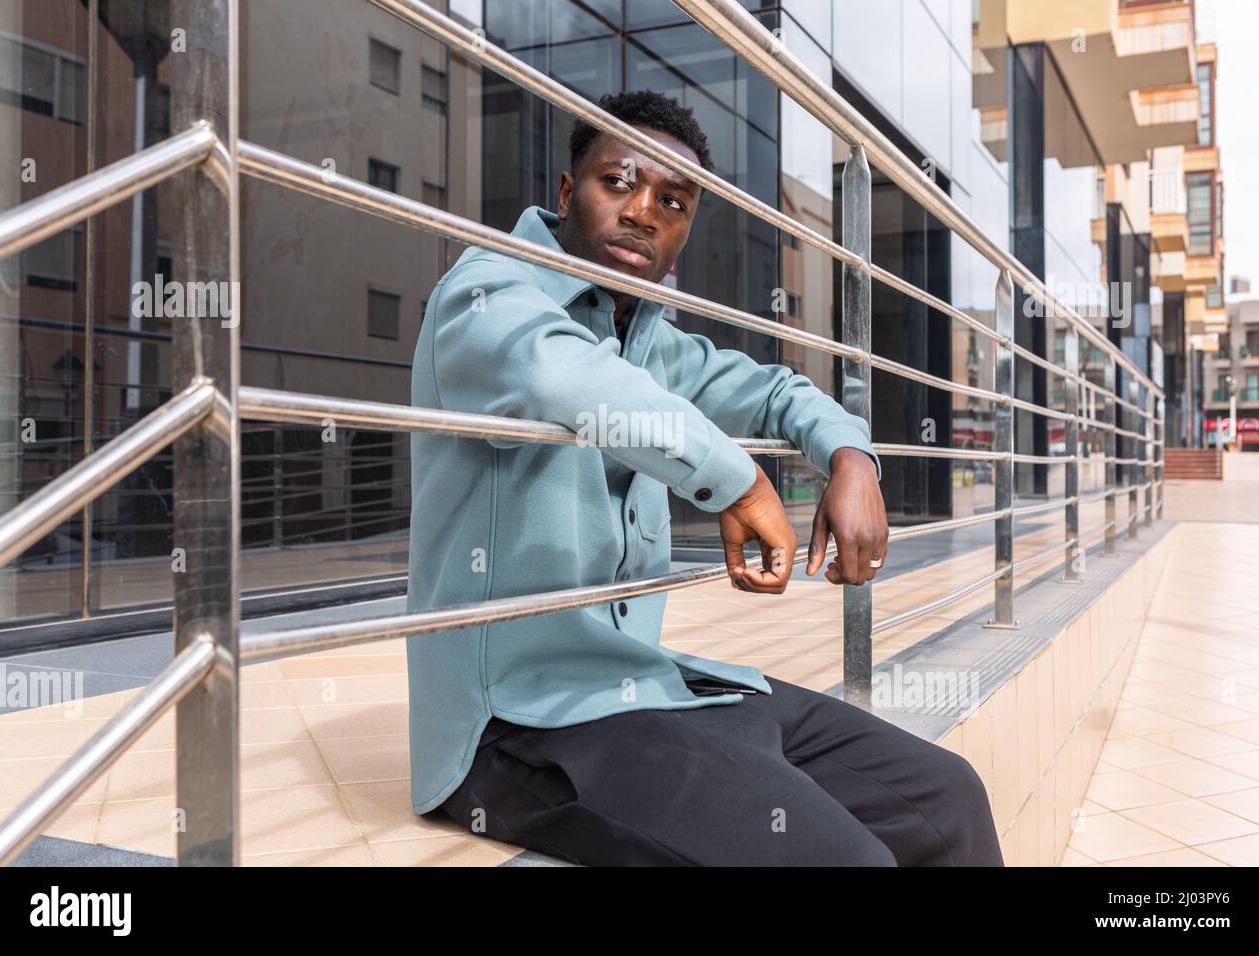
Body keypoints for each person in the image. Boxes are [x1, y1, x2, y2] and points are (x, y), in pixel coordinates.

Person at [405, 89, 1002, 866]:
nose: (643, 210)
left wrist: (852, 459)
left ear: (684, 232)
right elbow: (572, 384)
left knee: (946, 798)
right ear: (564, 192)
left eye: (673, 201)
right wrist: (743, 485)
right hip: (516, 728)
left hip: (654, 690)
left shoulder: (651, 343)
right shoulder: (484, 296)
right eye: (617, 182)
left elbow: (777, 391)